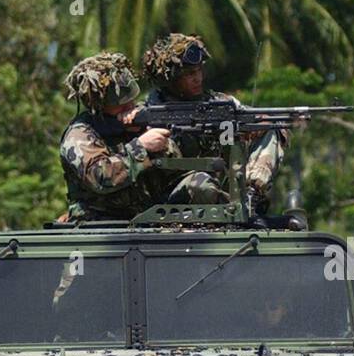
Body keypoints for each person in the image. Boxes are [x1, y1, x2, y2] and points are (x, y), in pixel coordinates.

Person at [140, 33, 287, 219]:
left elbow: (253, 118)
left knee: (272, 129)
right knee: (202, 185)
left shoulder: (219, 103)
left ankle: (251, 197)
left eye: (199, 70)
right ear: (171, 79)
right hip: (174, 195)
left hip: (223, 186)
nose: (198, 78)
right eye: (189, 74)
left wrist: (258, 124)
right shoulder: (149, 110)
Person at [58, 52, 173, 221]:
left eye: (131, 100)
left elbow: (174, 168)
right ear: (98, 105)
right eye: (119, 104)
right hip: (99, 224)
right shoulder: (79, 135)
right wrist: (141, 146)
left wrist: (160, 138)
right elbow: (101, 177)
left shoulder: (136, 122)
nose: (129, 106)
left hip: (145, 217)